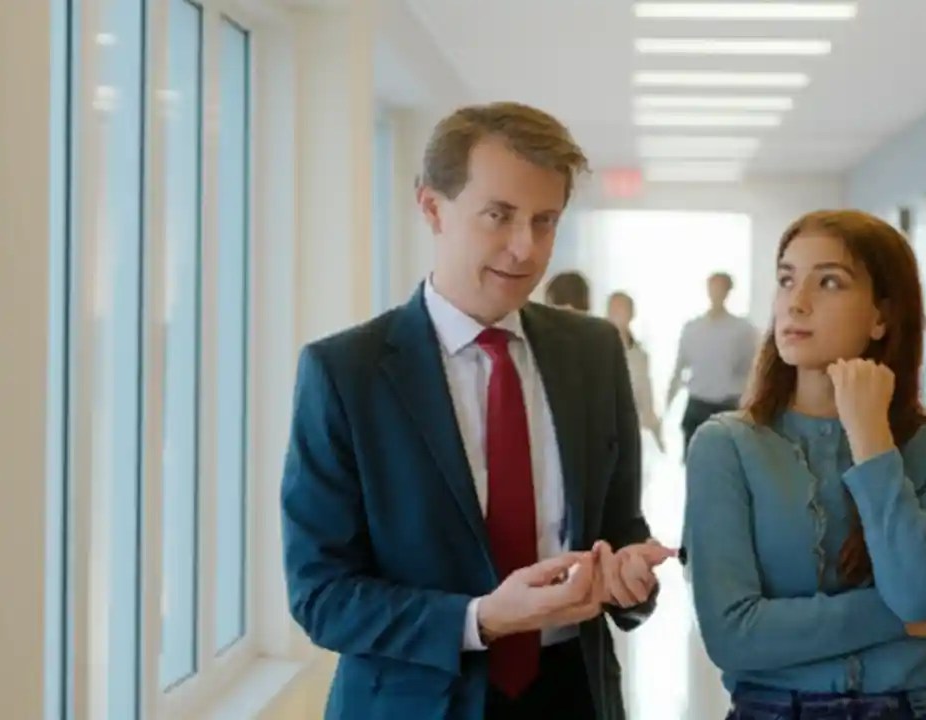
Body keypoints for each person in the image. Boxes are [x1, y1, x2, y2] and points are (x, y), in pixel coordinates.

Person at [282, 101, 676, 720]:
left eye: (545, 221)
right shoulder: (346, 373)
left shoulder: (594, 352)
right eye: (499, 215)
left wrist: (630, 578)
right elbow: (322, 596)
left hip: (571, 696)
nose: (525, 248)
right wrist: (482, 619)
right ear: (432, 207)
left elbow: (619, 528)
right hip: (415, 702)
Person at [684, 210, 926, 720]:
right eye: (786, 280)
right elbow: (733, 636)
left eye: (830, 282)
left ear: (881, 316)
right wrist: (901, 621)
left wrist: (872, 440)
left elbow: (920, 595)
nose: (796, 302)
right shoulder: (725, 445)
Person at [667, 272, 757, 456]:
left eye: (721, 288)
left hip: (728, 405)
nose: (716, 292)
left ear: (728, 291)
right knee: (694, 459)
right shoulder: (693, 328)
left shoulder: (742, 330)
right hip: (697, 404)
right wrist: (668, 403)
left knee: (726, 461)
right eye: (713, 287)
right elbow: (679, 367)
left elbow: (751, 370)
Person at [606, 291, 664, 453]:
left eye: (621, 309)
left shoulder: (640, 356)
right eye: (612, 309)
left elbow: (645, 394)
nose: (616, 315)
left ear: (631, 314)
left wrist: (657, 435)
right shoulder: (594, 348)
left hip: (629, 429)